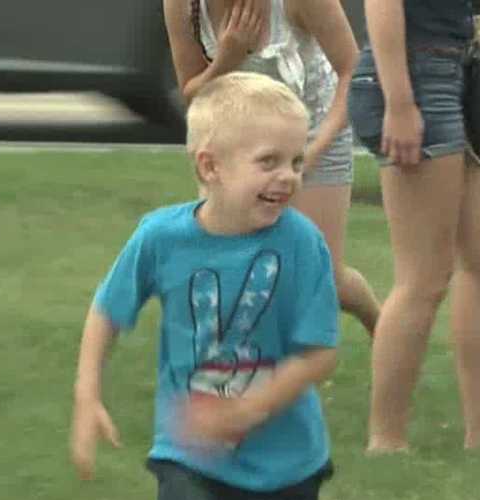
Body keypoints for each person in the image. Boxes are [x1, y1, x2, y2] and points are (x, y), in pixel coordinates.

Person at [69, 72, 338, 500]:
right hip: (190, 458)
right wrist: (88, 393)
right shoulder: (162, 238)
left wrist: (249, 409)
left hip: (284, 466)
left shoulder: (301, 245)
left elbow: (320, 353)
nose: (288, 177)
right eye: (269, 161)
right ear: (210, 166)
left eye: (296, 160)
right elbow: (107, 311)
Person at [346, 0, 480, 453]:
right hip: (411, 75)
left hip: (452, 70)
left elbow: (478, 11)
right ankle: (386, 439)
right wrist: (399, 102)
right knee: (424, 276)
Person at [164, 0, 382, 335]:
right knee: (235, 268)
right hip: (238, 142)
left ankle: (382, 328)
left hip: (315, 132)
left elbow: (352, 71)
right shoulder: (182, 4)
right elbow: (192, 93)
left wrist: (307, 155)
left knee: (322, 280)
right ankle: (248, 374)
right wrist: (227, 59)